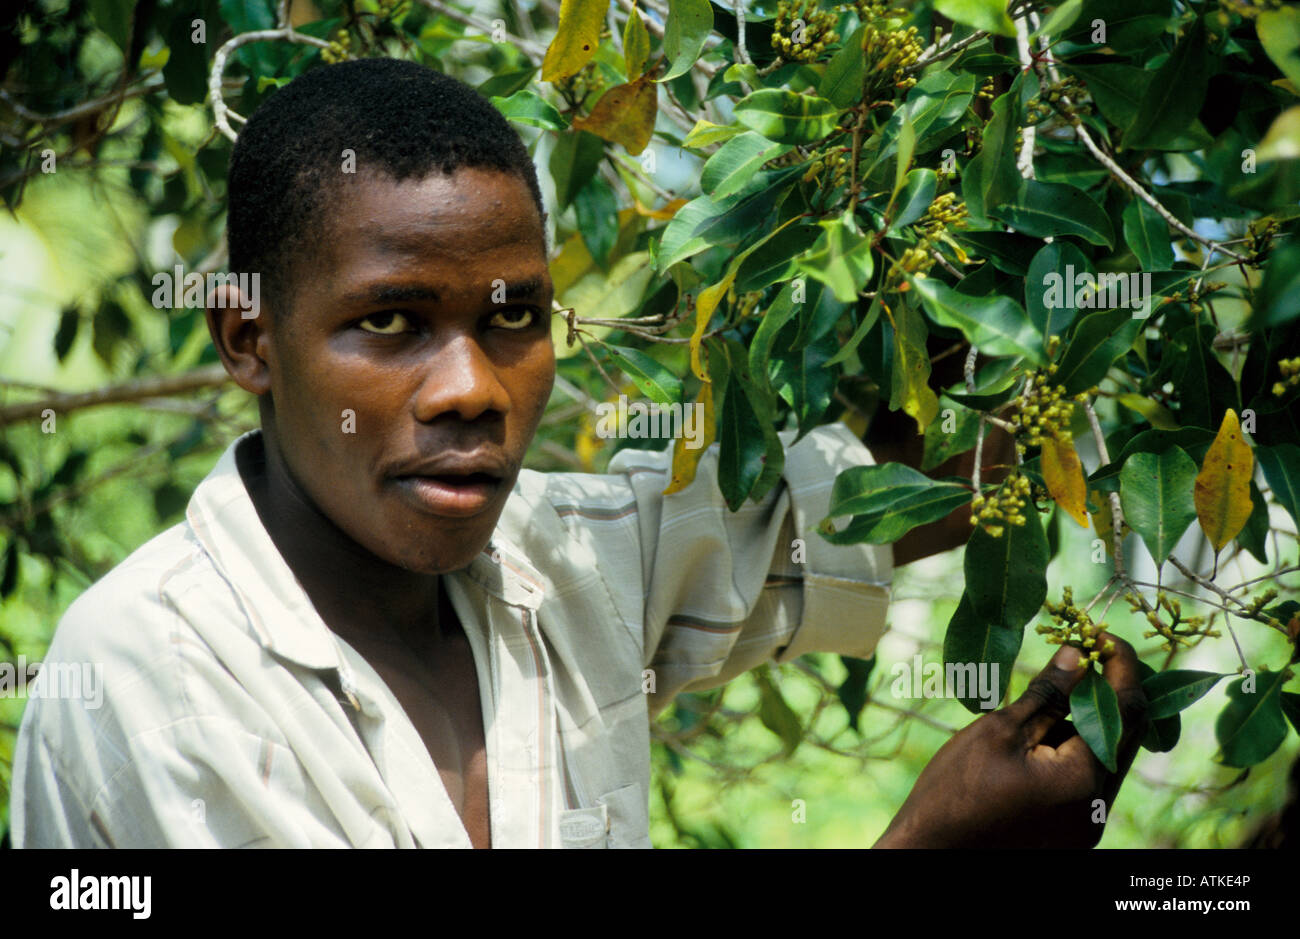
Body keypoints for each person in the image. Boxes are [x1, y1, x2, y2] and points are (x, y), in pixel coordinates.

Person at [9, 58, 1147, 849]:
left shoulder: (556, 558)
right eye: (391, 323)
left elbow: (865, 505)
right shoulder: (154, 675)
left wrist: (1138, 341)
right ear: (251, 341)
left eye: (512, 317)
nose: (470, 389)